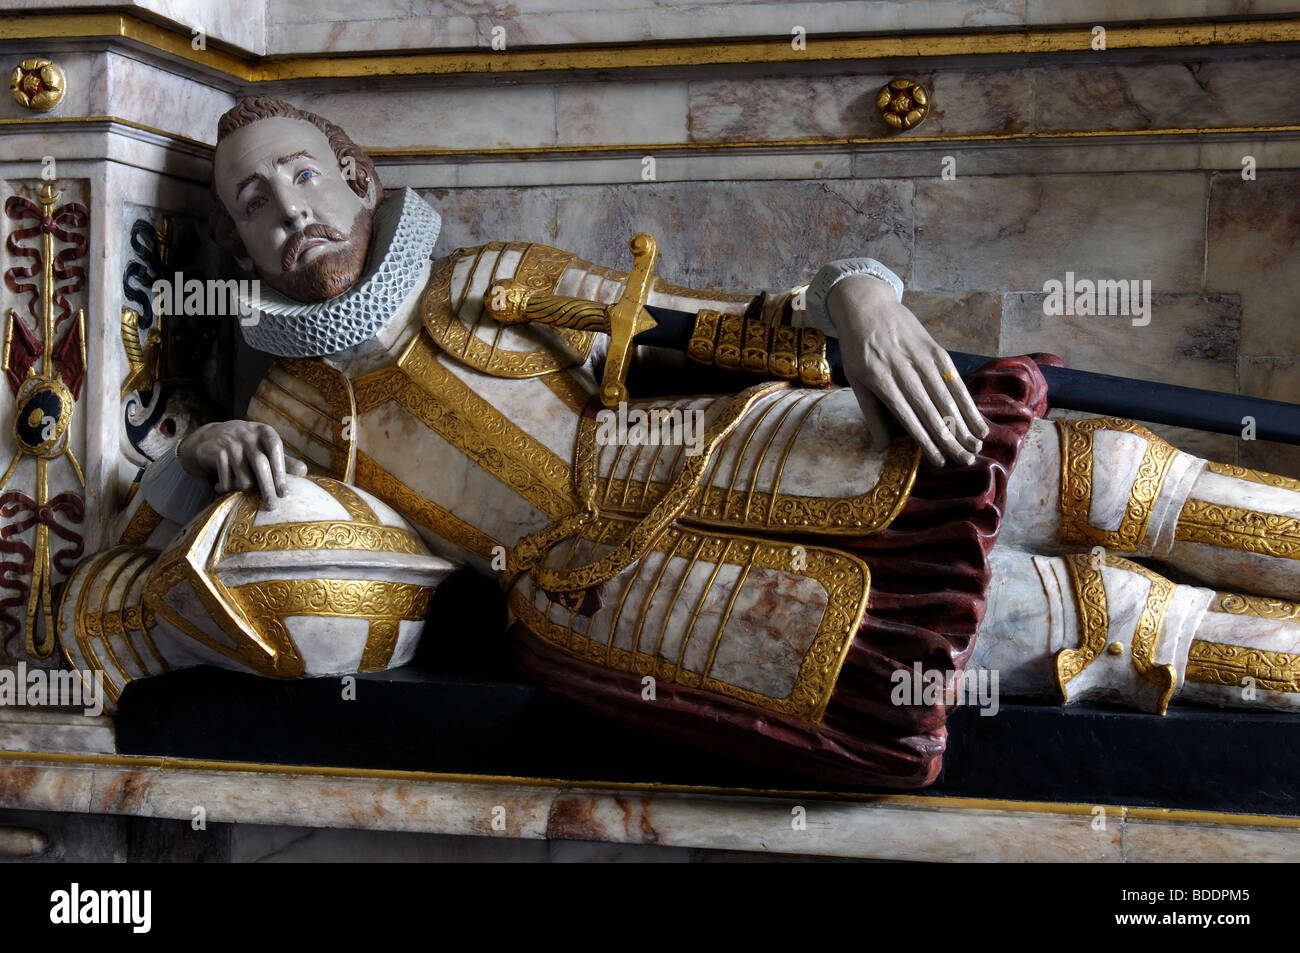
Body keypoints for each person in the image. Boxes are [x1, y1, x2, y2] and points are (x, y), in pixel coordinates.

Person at [79, 97, 1300, 788]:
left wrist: (856, 289)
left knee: (1120, 475)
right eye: (253, 200)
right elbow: (119, 591)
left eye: (302, 175)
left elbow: (715, 326)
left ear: (353, 179)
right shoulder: (296, 419)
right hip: (626, 596)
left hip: (699, 444)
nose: (290, 209)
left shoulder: (487, 279)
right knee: (1099, 618)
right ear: (239, 249)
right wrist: (196, 460)